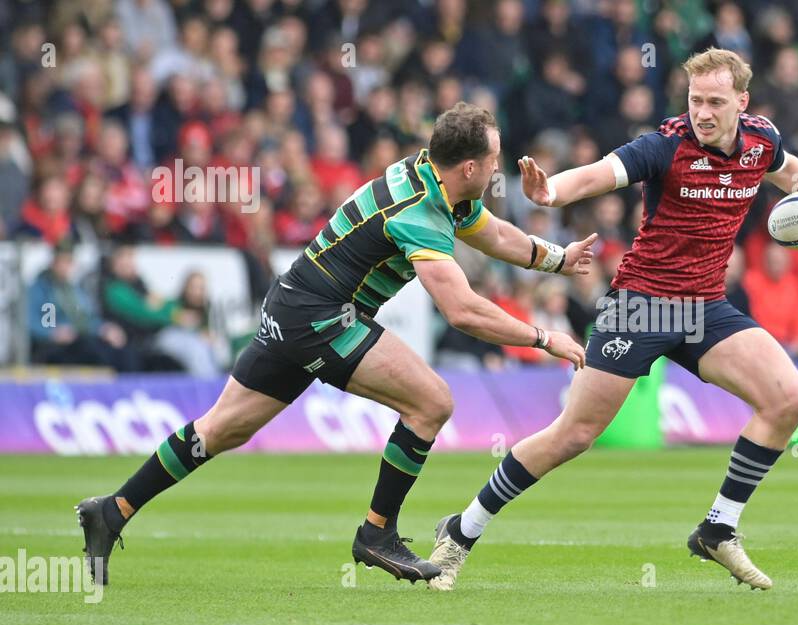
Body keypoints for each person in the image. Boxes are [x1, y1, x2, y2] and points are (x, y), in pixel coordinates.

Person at [76, 103, 594, 586]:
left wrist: (557, 258)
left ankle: (112, 510)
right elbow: (461, 310)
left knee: (220, 429)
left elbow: (495, 236)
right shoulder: (420, 211)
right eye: (494, 158)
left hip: (293, 302)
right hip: (323, 317)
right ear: (469, 167)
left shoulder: (431, 178)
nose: (498, 167)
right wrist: (543, 337)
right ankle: (376, 533)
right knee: (432, 402)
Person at [425, 49, 798, 592]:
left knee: (788, 399)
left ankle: (718, 529)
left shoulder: (763, 141)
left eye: (716, 102)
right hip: (640, 306)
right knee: (574, 435)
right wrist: (551, 192)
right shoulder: (666, 145)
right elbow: (601, 174)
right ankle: (461, 531)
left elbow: (795, 177)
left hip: (704, 306)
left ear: (742, 102)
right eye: (696, 100)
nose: (703, 112)